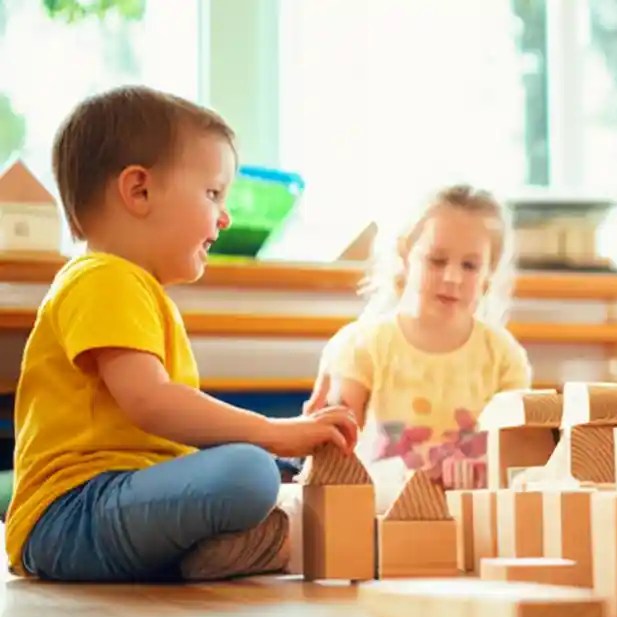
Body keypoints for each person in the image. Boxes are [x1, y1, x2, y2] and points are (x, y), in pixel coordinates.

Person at [8, 85, 358, 582]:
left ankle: (206, 554)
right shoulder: (104, 278)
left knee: (256, 472)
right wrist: (274, 433)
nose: (225, 215)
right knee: (249, 472)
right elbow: (151, 402)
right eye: (213, 193)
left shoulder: (134, 288)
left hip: (111, 503)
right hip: (72, 514)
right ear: (139, 191)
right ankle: (220, 547)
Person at [322, 184, 530, 489]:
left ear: (490, 272)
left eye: (470, 265)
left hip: (475, 512)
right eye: (437, 260)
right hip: (386, 508)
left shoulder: (504, 355)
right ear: (406, 256)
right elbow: (336, 451)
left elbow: (519, 451)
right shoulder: (363, 344)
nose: (452, 277)